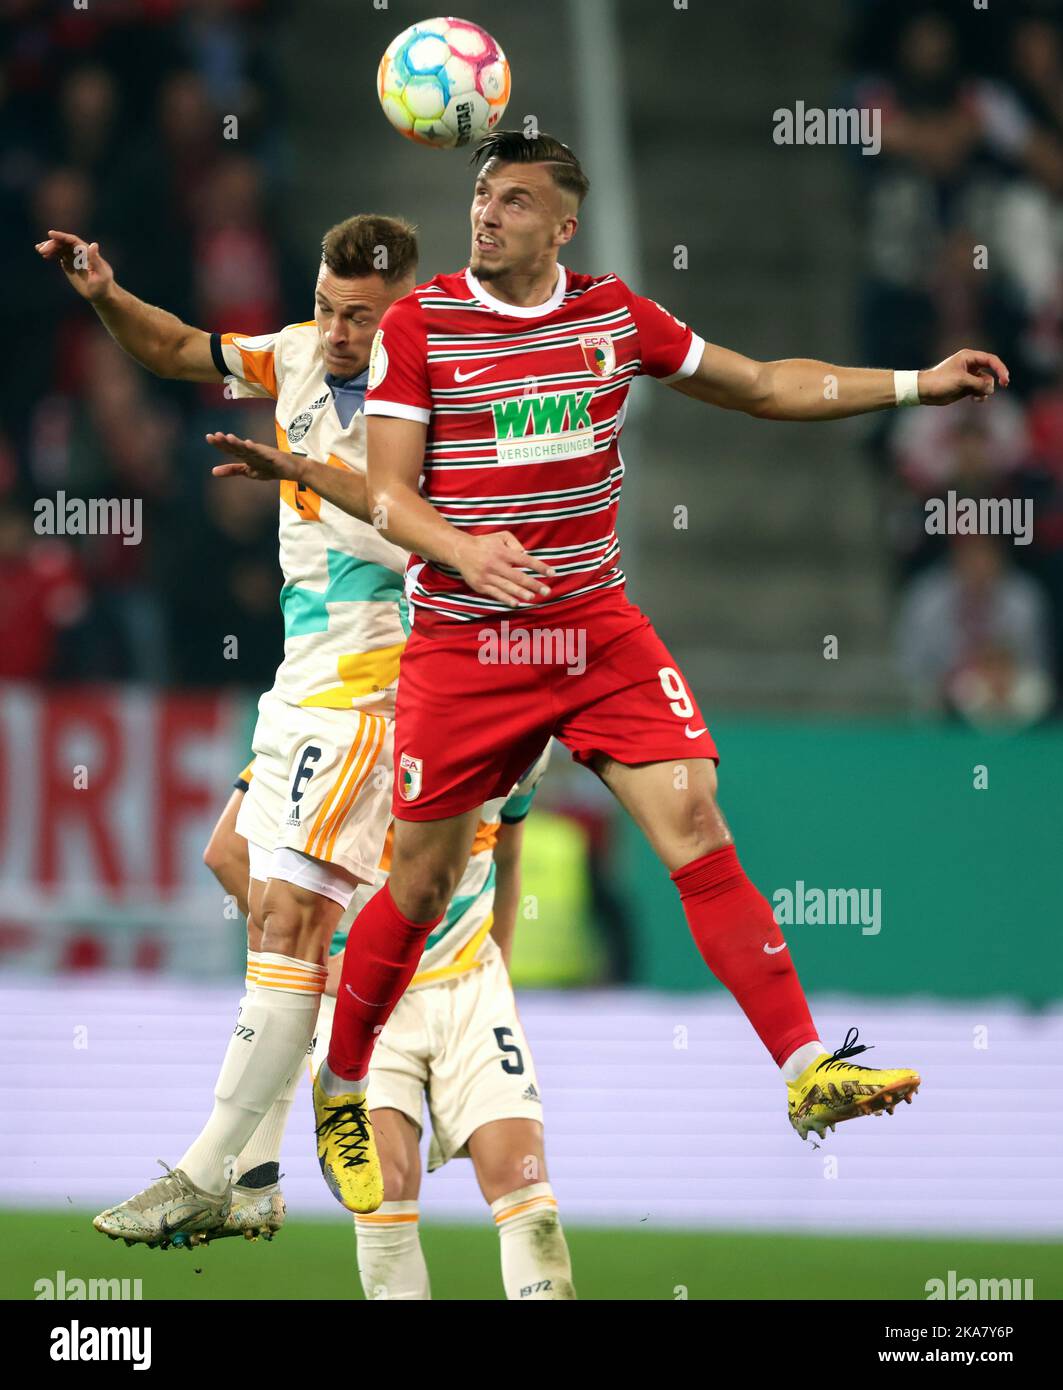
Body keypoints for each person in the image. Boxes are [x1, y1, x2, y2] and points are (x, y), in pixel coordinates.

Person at [212, 130, 1010, 1215]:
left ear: (562, 224)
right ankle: (343, 1084)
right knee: (422, 883)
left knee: (694, 814)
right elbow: (387, 492)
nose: (488, 213)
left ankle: (804, 1067)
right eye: (483, 194)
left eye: (515, 200)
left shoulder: (612, 317)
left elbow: (766, 384)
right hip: (464, 640)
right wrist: (465, 551)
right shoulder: (422, 324)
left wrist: (919, 383)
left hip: (590, 627)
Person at [37, 213, 421, 1239]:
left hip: (364, 683)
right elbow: (171, 348)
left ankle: (215, 1166)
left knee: (291, 917)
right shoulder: (290, 355)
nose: (342, 333)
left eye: (364, 317)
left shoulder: (431, 395)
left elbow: (447, 530)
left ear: (404, 311)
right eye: (331, 310)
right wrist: (104, 290)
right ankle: (259, 1168)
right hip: (298, 679)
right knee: (236, 868)